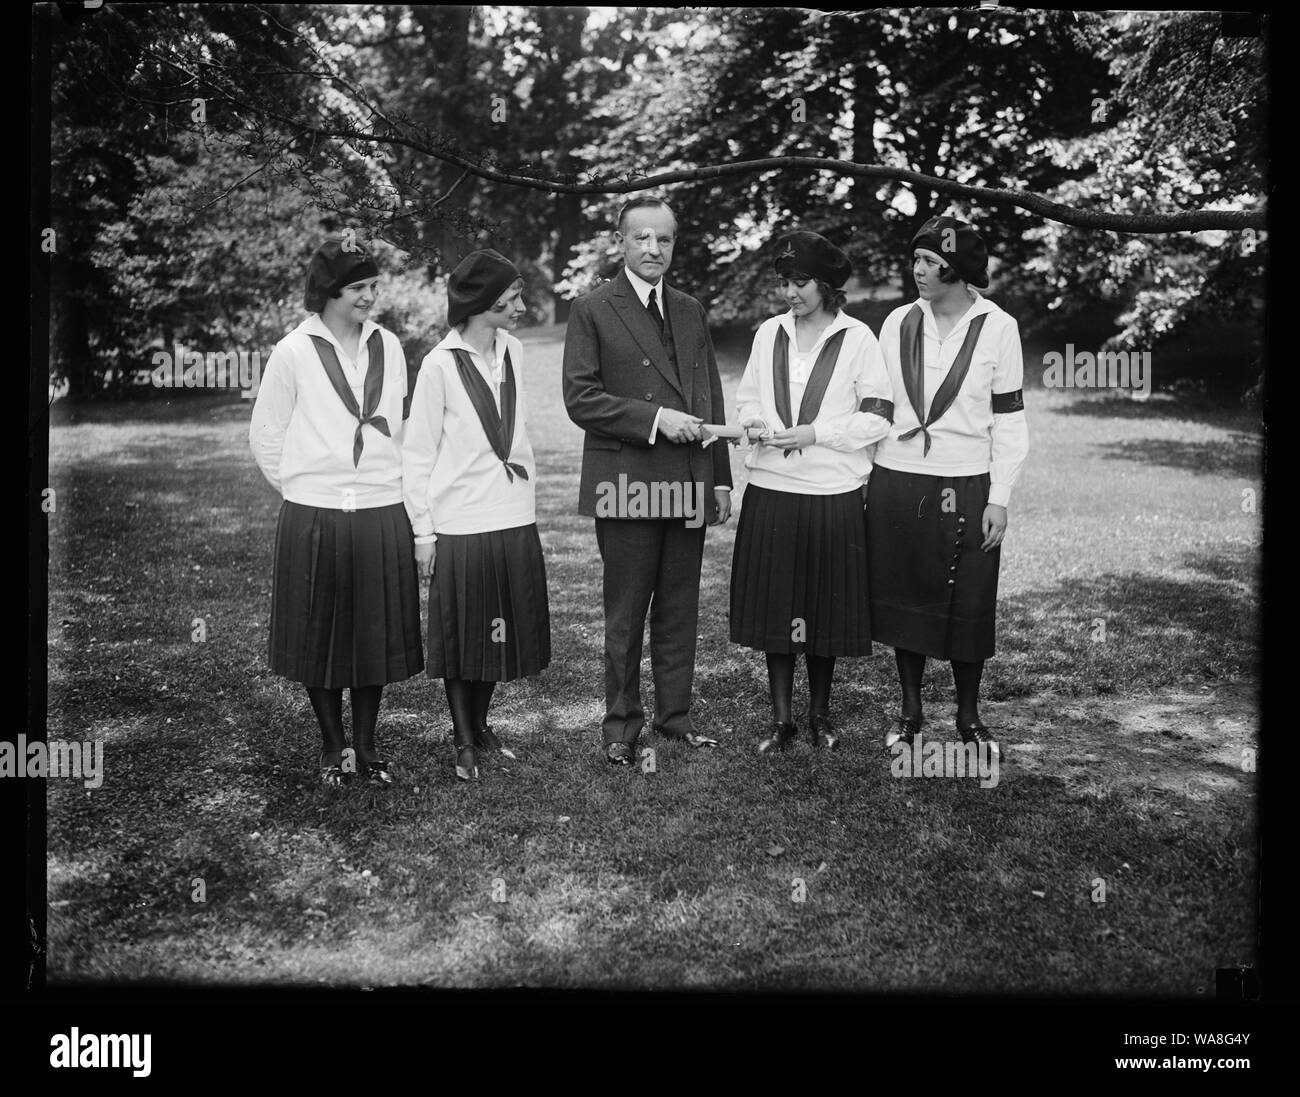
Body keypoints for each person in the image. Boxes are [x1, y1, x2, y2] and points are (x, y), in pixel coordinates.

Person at [562, 196, 733, 766]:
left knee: (680, 607)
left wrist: (721, 482)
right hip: (627, 481)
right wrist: (657, 420)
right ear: (621, 241)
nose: (653, 249)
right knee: (627, 609)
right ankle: (620, 723)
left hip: (688, 480)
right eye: (641, 238)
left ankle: (675, 717)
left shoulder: (690, 309)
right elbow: (581, 399)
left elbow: (709, 395)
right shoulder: (593, 309)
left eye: (664, 239)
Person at [250, 238, 423, 787]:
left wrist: (380, 483)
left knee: (374, 631)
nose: (371, 297)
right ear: (327, 293)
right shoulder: (293, 352)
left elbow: (398, 422)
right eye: (358, 289)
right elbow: (267, 436)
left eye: (375, 286)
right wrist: (308, 488)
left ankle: (367, 747)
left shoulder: (388, 346)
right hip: (316, 513)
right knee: (319, 632)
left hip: (380, 507)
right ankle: (333, 746)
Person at [866, 215, 1029, 755]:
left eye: (931, 262)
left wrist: (999, 498)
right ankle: (910, 714)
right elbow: (877, 405)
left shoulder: (998, 327)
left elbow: (1009, 419)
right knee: (905, 596)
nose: (918, 271)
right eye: (916, 260)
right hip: (898, 477)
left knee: (969, 598)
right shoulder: (897, 323)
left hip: (966, 481)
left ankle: (969, 717)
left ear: (958, 270)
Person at [730, 230, 894, 753]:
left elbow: (877, 416)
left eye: (800, 282)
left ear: (826, 286)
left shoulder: (858, 339)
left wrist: (816, 433)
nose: (790, 293)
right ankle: (782, 720)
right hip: (772, 487)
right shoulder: (768, 333)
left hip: (831, 490)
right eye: (785, 282)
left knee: (823, 608)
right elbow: (747, 398)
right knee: (779, 606)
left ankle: (821, 715)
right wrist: (754, 422)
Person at [403, 250, 550, 781]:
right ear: (484, 304)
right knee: (466, 632)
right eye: (511, 299)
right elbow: (417, 452)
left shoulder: (511, 349)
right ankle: (463, 738)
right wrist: (423, 531)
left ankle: (483, 724)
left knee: (500, 627)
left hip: (512, 508)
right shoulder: (439, 365)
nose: (521, 306)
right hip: (460, 517)